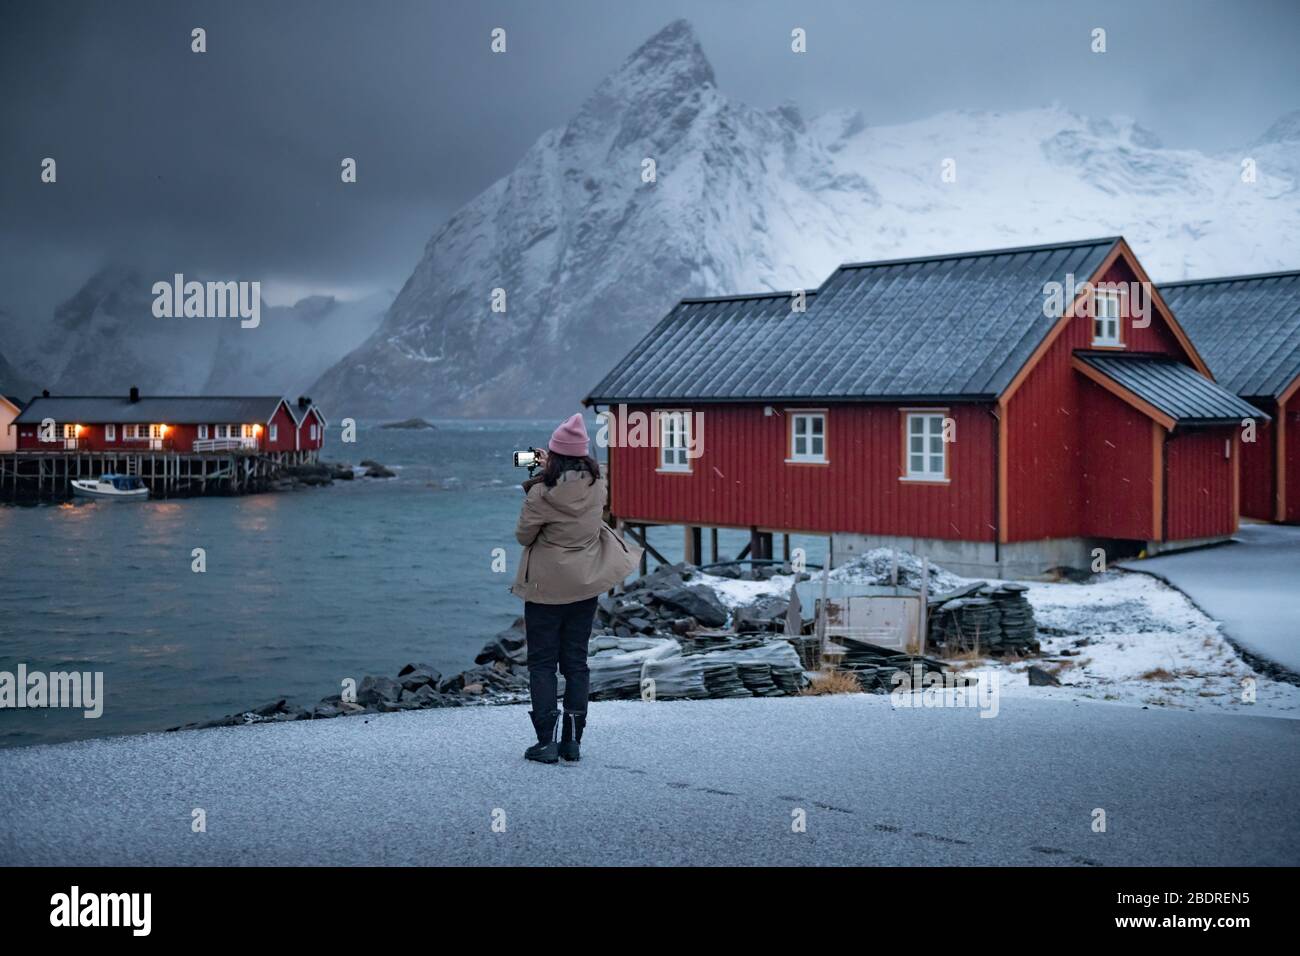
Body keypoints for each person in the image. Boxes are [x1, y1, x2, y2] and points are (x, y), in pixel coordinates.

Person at [511, 413, 641, 763]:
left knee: (542, 663)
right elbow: (577, 491)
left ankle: (545, 742)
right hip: (585, 586)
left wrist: (539, 477)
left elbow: (524, 535)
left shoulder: (541, 492)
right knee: (576, 663)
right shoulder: (598, 485)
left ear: (553, 455)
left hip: (545, 589)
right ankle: (572, 742)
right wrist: (556, 463)